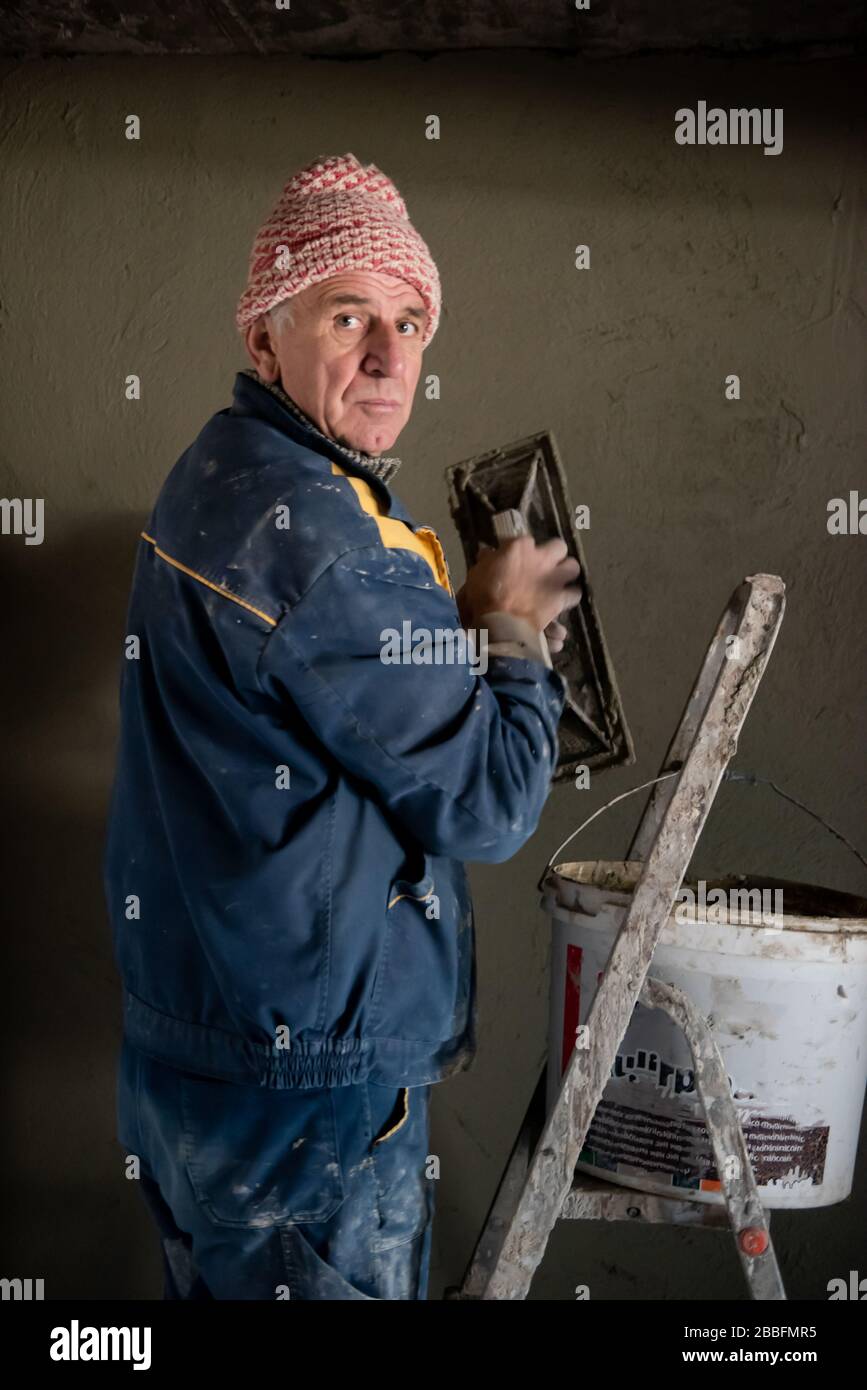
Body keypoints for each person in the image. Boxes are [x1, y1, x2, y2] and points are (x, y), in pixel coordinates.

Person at [103, 152, 581, 1300]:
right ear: (265, 337)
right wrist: (512, 634)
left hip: (199, 1067)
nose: (389, 356)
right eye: (348, 313)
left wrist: (440, 629)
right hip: (305, 1103)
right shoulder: (325, 531)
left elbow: (319, 689)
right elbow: (490, 800)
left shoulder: (220, 471)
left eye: (410, 321)